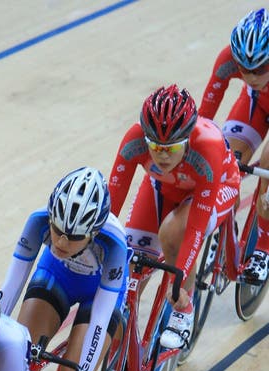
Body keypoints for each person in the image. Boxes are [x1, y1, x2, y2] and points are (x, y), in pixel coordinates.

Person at [0, 166, 129, 371]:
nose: (61, 241)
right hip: (56, 275)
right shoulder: (38, 222)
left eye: (75, 237)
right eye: (57, 230)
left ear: (94, 232)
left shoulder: (113, 245)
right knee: (16, 352)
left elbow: (100, 321)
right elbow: (11, 288)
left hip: (99, 295)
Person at [108, 84, 240, 349]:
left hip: (216, 187)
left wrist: (178, 278)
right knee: (128, 274)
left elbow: (194, 229)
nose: (162, 154)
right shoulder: (135, 139)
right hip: (163, 186)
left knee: (172, 233)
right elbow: (111, 205)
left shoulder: (207, 148)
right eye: (155, 147)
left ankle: (184, 310)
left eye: (171, 148)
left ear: (188, 139)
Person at [199, 8, 269, 282]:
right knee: (226, 158)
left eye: (259, 69)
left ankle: (263, 249)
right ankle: (225, 224)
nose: (251, 76)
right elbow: (203, 118)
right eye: (244, 69)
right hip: (255, 104)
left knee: (267, 167)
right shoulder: (227, 59)